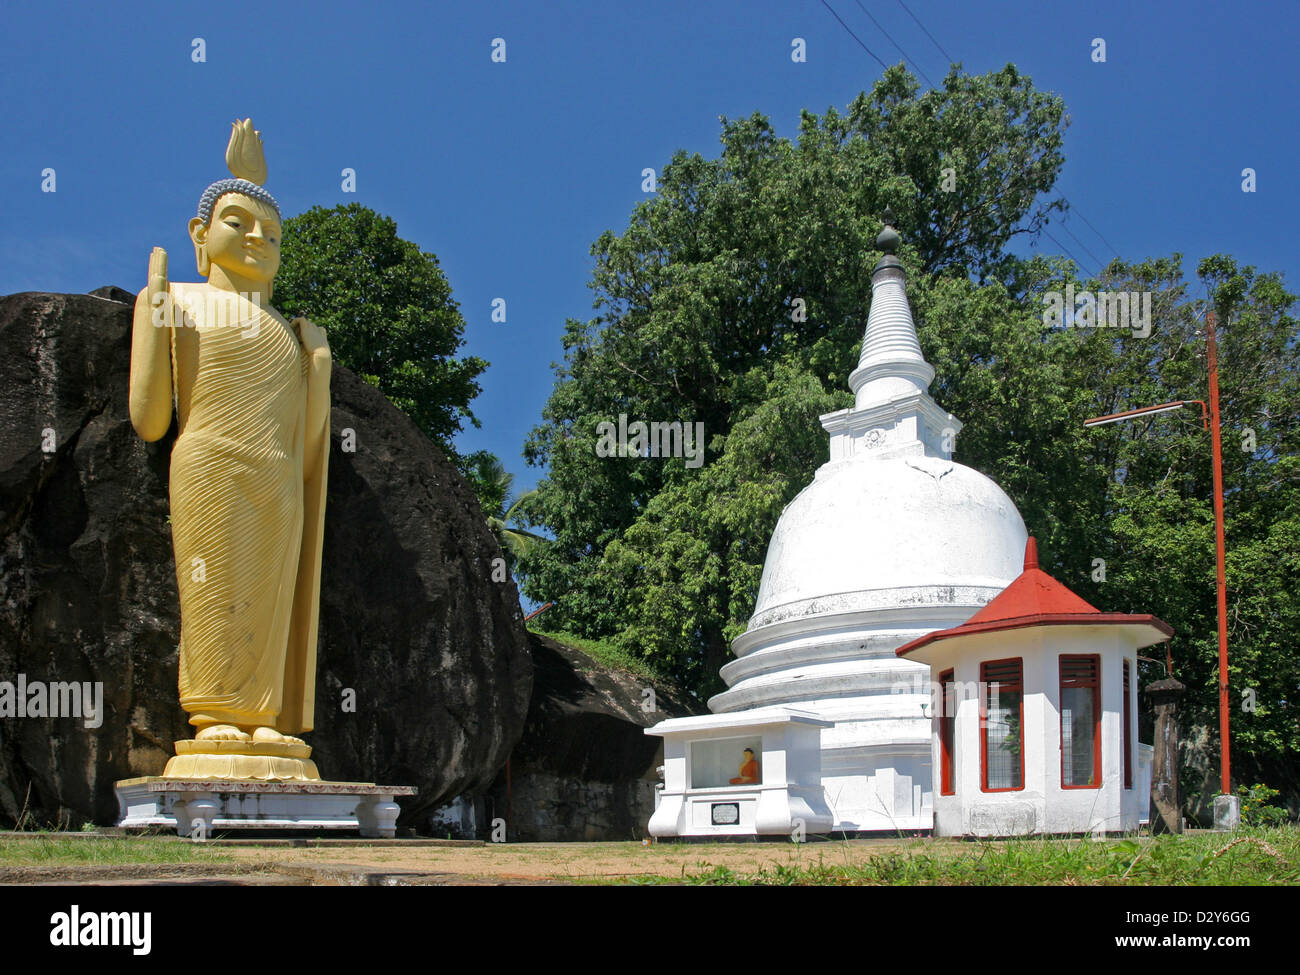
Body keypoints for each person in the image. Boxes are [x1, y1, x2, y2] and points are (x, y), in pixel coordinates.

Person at [129, 120, 331, 755]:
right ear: (199, 234)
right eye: (239, 222)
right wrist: (155, 310)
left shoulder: (288, 331)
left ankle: (265, 715)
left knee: (273, 595)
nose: (257, 238)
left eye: (272, 234)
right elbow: (151, 420)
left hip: (276, 477)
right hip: (210, 462)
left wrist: (318, 371)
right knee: (213, 586)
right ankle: (213, 712)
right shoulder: (178, 300)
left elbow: (308, 448)